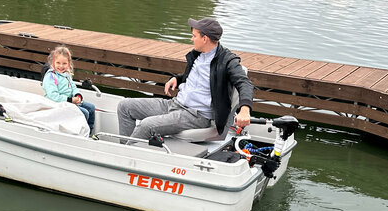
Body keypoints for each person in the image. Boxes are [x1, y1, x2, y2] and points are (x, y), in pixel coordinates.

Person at [117, 17, 253, 142]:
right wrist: (177, 78)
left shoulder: (228, 61)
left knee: (146, 125)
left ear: (204, 39)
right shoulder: (198, 54)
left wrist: (244, 110)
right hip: (175, 104)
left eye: (194, 36)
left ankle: (125, 156)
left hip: (196, 115)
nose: (191, 39)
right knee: (125, 106)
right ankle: (126, 147)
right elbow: (199, 77)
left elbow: (244, 83)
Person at [42, 45, 97, 136]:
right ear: (53, 62)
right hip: (57, 103)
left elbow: (73, 87)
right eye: (58, 63)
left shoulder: (66, 74)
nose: (61, 66)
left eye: (64, 63)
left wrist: (77, 95)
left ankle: (89, 134)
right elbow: (53, 96)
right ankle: (81, 135)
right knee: (84, 113)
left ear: (69, 63)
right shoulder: (50, 76)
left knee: (91, 108)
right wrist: (70, 100)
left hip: (69, 101)